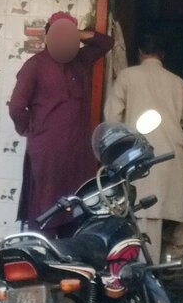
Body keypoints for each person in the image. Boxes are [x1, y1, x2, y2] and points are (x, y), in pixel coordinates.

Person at [9, 12, 113, 230]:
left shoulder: (81, 60)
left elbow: (106, 43)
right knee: (45, 204)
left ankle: (70, 256)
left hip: (78, 149)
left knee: (78, 202)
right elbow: (17, 107)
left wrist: (80, 34)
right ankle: (40, 256)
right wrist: (29, 129)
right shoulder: (34, 66)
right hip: (47, 150)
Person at [104, 33, 183, 265]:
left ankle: (150, 273)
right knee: (176, 211)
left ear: (139, 52)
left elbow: (111, 119)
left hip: (140, 156)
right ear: (163, 55)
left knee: (148, 214)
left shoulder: (127, 76)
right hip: (173, 156)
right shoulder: (178, 83)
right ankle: (173, 261)